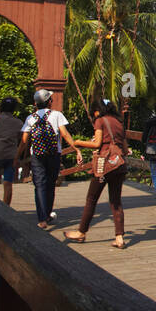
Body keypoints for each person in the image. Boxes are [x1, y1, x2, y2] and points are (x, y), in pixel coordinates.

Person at [63, 98, 128, 249]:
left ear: (98, 111)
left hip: (104, 166)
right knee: (116, 201)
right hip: (119, 166)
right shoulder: (119, 123)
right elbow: (124, 149)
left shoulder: (100, 121)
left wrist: (79, 142)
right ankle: (119, 237)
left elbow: (97, 144)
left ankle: (81, 232)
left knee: (91, 199)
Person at [21, 89, 80, 230]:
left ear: (35, 103)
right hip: (54, 154)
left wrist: (19, 158)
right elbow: (65, 134)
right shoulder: (56, 115)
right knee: (50, 184)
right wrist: (76, 149)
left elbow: (24, 141)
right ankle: (47, 214)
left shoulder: (31, 117)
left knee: (39, 185)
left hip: (37, 154)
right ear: (49, 102)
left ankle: (42, 219)